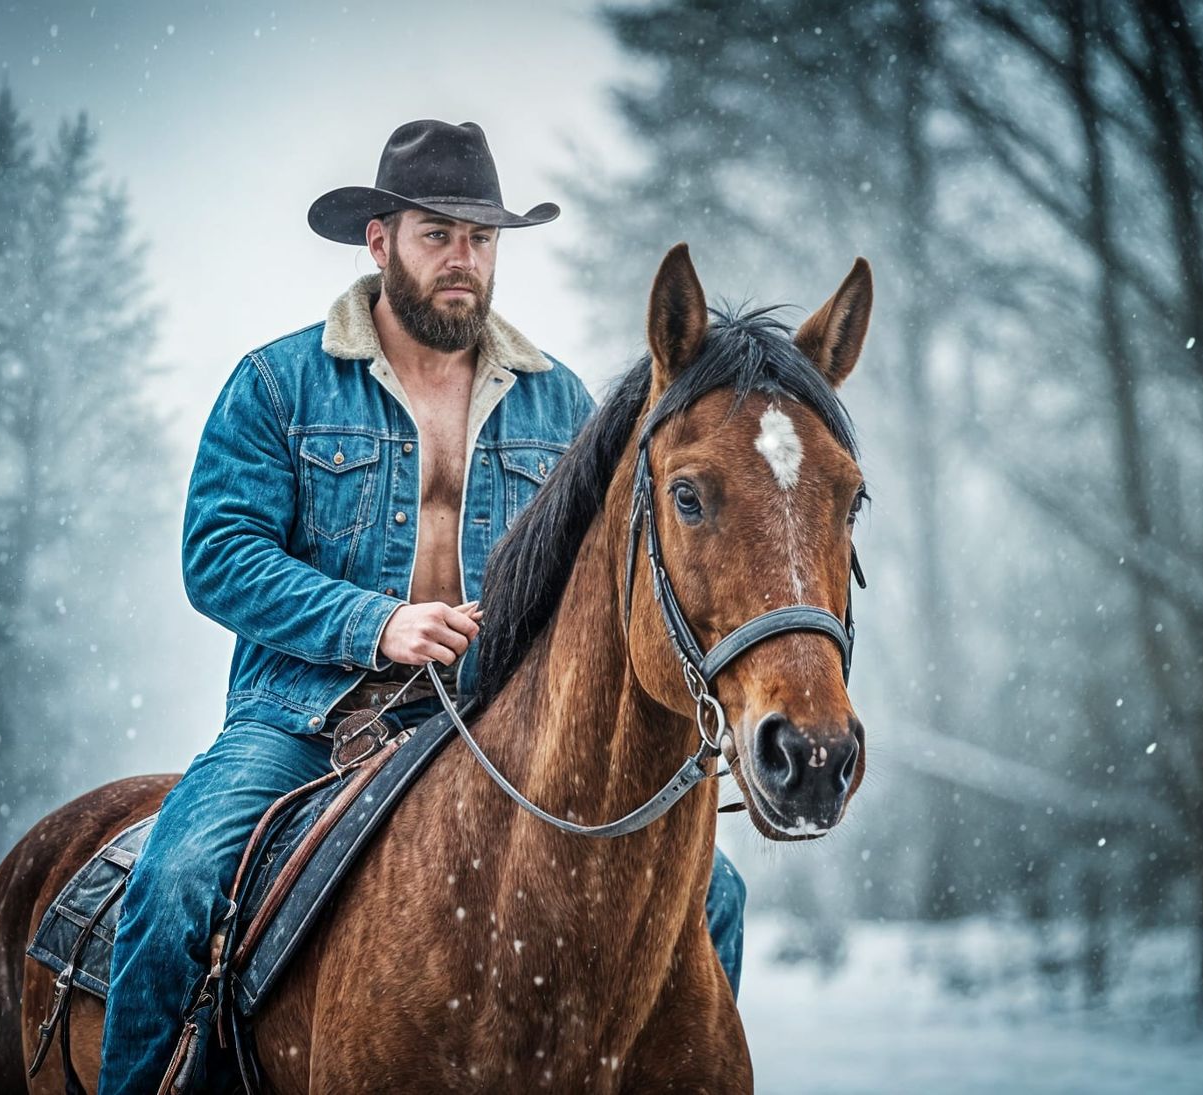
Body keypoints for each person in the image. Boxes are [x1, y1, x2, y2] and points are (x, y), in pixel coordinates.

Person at [97, 119, 747, 1092]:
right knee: (176, 879)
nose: (462, 260)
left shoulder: (558, 403)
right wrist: (376, 622)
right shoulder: (279, 382)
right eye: (437, 234)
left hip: (501, 723)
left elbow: (612, 584)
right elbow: (218, 556)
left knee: (715, 892)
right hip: (308, 720)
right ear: (380, 242)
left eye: (481, 239)